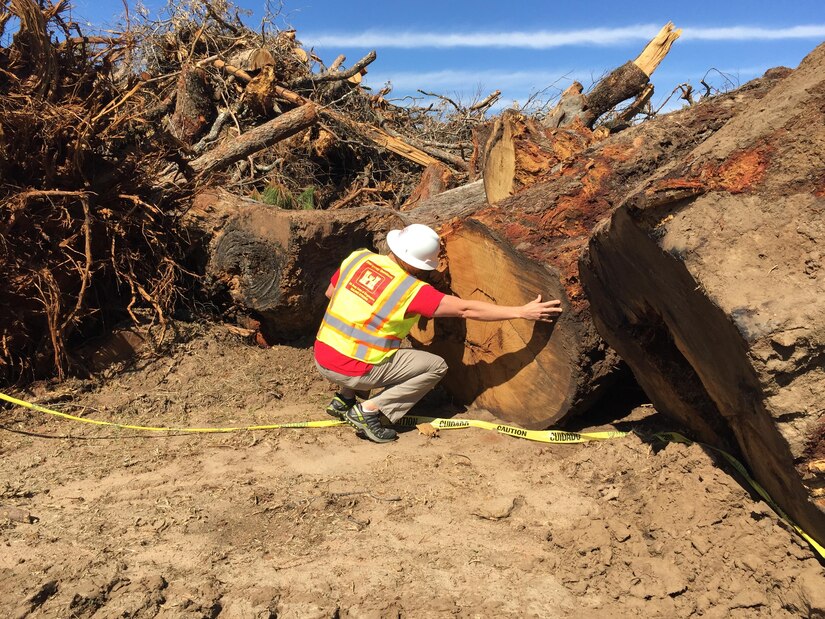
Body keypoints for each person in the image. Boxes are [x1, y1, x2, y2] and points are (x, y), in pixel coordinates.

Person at [314, 223, 563, 443]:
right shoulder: (410, 290)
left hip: (323, 356)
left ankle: (343, 399)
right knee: (435, 366)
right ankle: (369, 411)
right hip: (354, 369)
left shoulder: (358, 259)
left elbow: (330, 293)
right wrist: (521, 311)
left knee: (358, 339)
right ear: (416, 263)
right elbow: (465, 309)